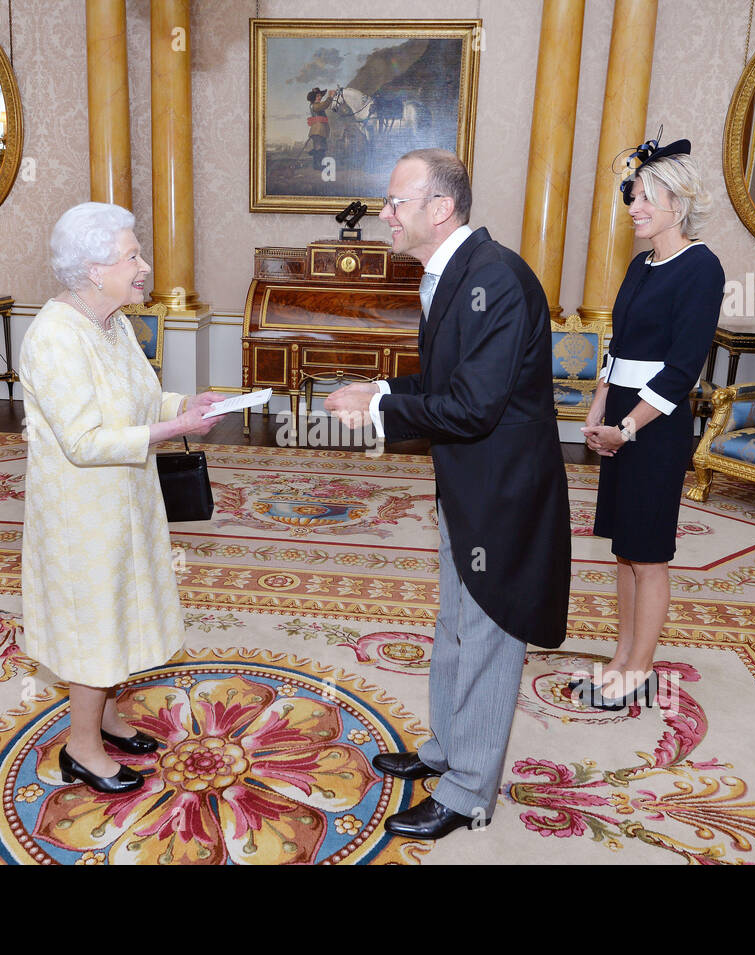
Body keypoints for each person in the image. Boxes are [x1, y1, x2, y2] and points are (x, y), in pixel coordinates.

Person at [326, 149, 571, 840]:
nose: (385, 212)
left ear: (440, 209)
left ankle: (468, 791)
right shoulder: (455, 272)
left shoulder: (495, 280)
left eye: (397, 201)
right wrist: (380, 390)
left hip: (502, 493)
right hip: (466, 483)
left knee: (489, 630)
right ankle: (447, 750)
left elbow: (471, 407)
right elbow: (444, 385)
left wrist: (380, 414)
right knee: (455, 622)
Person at [18, 202, 223, 793]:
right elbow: (82, 442)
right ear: (91, 269)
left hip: (125, 497)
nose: (145, 266)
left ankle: (103, 719)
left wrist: (184, 407)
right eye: (132, 255)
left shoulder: (113, 323)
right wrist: (169, 432)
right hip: (81, 509)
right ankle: (80, 749)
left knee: (118, 608)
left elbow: (140, 400)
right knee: (92, 624)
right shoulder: (56, 336)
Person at [577, 136, 724, 710]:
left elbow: (683, 368)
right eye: (633, 197)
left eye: (644, 198)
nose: (634, 207)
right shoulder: (641, 264)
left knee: (650, 553)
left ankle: (639, 671)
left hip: (655, 428)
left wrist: (629, 427)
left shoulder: (701, 267)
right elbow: (619, 345)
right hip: (620, 416)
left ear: (678, 204)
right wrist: (599, 408)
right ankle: (619, 657)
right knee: (623, 548)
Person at [305, 87, 335, 170]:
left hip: (319, 130)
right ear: (313, 98)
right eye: (317, 96)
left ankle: (317, 165)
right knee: (320, 148)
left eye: (320, 96)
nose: (319, 97)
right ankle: (319, 165)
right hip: (318, 130)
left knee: (319, 148)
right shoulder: (315, 106)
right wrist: (330, 97)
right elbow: (324, 105)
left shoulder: (315, 105)